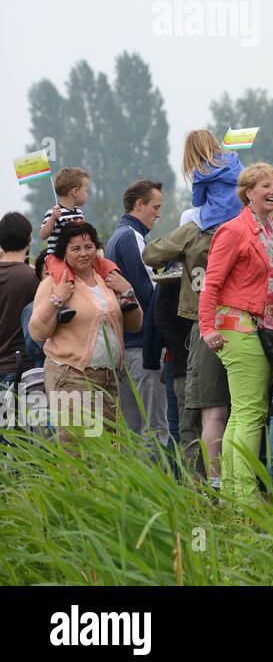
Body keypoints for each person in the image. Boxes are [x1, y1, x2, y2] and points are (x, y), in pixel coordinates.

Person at [197, 162, 273, 503]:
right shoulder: (233, 230)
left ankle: (235, 494)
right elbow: (211, 283)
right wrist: (206, 328)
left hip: (264, 328)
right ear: (247, 192)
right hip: (238, 326)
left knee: (243, 412)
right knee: (251, 411)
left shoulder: (271, 231)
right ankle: (246, 496)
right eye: (265, 186)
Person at [28, 221, 143, 444]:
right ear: (64, 253)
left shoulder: (107, 280)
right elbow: (37, 332)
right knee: (77, 448)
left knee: (104, 449)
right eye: (76, 249)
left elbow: (134, 325)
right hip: (71, 376)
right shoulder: (54, 283)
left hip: (108, 378)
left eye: (88, 247)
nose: (84, 254)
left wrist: (128, 291)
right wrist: (57, 299)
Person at [142, 209, 218, 478]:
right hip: (183, 364)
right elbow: (162, 320)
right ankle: (191, 485)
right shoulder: (172, 276)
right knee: (186, 428)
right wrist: (185, 351)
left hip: (210, 357)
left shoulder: (214, 269)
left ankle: (213, 482)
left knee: (212, 422)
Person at [104, 180, 167, 451]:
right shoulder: (131, 236)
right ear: (138, 205)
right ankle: (157, 492)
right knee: (154, 429)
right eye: (156, 207)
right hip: (143, 348)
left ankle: (132, 491)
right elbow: (147, 290)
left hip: (124, 347)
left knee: (131, 432)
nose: (159, 214)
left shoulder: (116, 236)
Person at [39, 168, 134, 324]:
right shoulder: (53, 212)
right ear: (75, 191)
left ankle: (123, 297)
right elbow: (43, 234)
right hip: (57, 256)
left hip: (78, 254)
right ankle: (63, 307)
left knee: (106, 265)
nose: (87, 194)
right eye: (86, 190)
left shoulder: (79, 214)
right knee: (64, 279)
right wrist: (53, 220)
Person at [0, 212, 40, 395]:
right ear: (30, 238)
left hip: (13, 368)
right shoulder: (33, 278)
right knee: (22, 423)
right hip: (22, 369)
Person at [183, 130, 245, 231]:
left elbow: (197, 202)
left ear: (192, 151)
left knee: (185, 216)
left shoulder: (201, 171)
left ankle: (185, 244)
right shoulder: (233, 159)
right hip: (242, 213)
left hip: (219, 219)